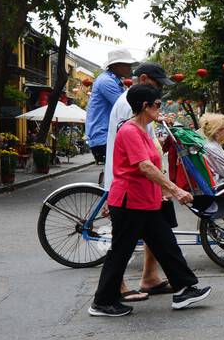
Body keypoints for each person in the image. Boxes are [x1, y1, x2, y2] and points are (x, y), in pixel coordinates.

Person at [90, 84, 211, 318]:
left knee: (166, 244)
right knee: (121, 252)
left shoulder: (143, 130)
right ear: (144, 106)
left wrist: (164, 191)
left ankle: (184, 289)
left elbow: (153, 164)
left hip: (146, 201)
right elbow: (144, 166)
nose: (159, 108)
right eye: (156, 104)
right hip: (130, 203)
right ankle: (102, 302)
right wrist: (175, 190)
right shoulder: (130, 131)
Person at [104, 61, 177, 301]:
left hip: (145, 185)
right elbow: (140, 159)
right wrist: (171, 187)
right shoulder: (131, 106)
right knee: (122, 243)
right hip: (133, 185)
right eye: (157, 87)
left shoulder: (139, 104)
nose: (159, 95)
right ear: (144, 79)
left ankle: (150, 278)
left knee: (156, 234)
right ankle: (115, 289)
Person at [86, 48, 135, 165]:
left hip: (108, 136)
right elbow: (126, 107)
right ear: (116, 65)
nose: (130, 68)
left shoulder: (114, 80)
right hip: (103, 137)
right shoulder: (106, 81)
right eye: (127, 65)